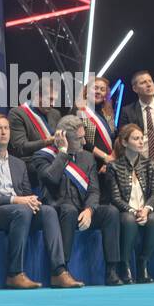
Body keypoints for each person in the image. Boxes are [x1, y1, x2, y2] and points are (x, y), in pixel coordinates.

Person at [0, 113, 67, 289]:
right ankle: (15, 274)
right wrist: (16, 199)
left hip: (20, 211)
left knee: (48, 211)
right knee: (22, 210)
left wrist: (31, 200)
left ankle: (59, 272)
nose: (4, 132)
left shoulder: (19, 163)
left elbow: (26, 193)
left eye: (6, 128)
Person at [29, 114, 121, 287]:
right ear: (63, 137)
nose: (84, 142)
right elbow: (51, 178)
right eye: (79, 139)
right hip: (56, 210)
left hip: (81, 211)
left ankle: (112, 270)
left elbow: (94, 190)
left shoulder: (87, 157)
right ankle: (61, 271)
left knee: (111, 212)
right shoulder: (42, 156)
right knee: (68, 209)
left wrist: (89, 210)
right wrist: (63, 153)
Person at [107, 123, 154, 284]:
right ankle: (125, 264)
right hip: (126, 211)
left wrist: (146, 210)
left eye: (142, 138)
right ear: (125, 143)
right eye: (136, 138)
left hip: (145, 209)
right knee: (128, 219)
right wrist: (133, 211)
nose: (141, 142)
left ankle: (143, 262)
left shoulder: (150, 164)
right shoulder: (113, 166)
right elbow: (115, 198)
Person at [8, 76, 64, 161]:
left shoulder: (55, 114)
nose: (53, 104)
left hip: (54, 162)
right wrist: (47, 141)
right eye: (50, 99)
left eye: (55, 100)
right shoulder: (17, 114)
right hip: (31, 164)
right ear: (37, 95)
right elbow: (20, 148)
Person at [73, 75, 117, 169]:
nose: (98, 92)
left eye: (102, 89)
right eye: (95, 88)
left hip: (108, 165)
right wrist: (105, 157)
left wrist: (110, 159)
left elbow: (115, 138)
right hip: (87, 164)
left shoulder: (108, 114)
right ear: (87, 91)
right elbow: (80, 140)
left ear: (106, 95)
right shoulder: (79, 110)